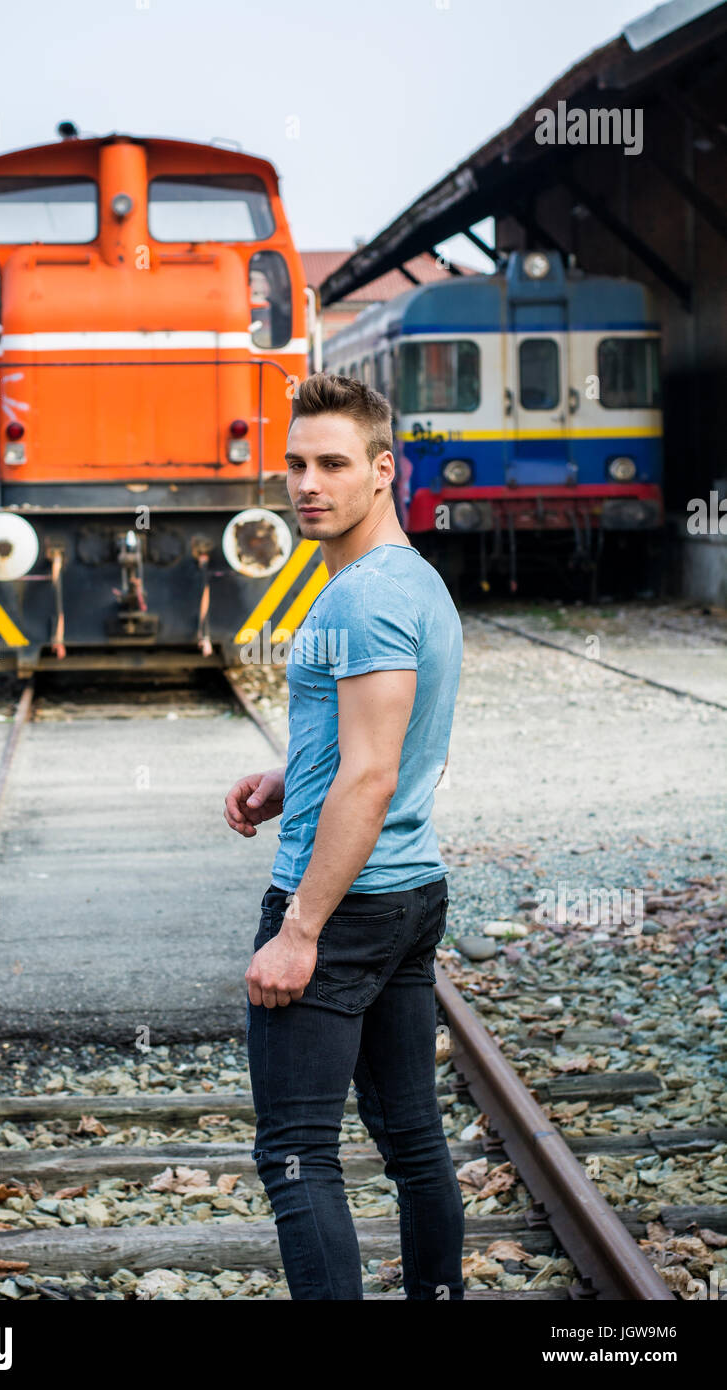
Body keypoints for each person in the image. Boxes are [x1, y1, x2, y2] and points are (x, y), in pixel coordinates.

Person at [223, 372, 464, 1300]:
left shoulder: (362, 600)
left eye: (332, 463)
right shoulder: (412, 584)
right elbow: (377, 746)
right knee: (410, 1138)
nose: (307, 483)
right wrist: (291, 780)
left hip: (346, 903)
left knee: (295, 1152)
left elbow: (371, 776)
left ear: (382, 470)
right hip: (407, 892)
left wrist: (300, 931)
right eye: (294, 464)